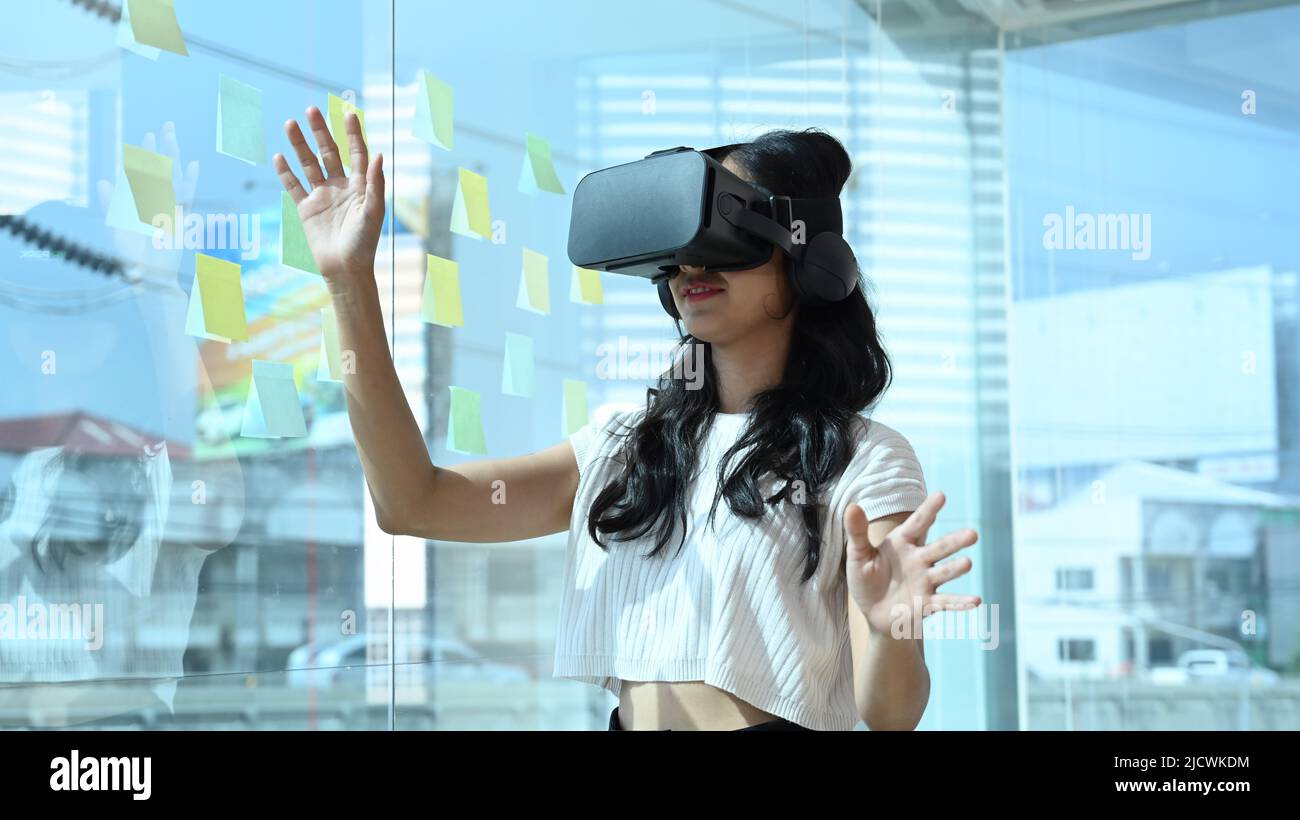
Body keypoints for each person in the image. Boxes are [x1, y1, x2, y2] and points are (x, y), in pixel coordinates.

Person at [272, 109, 982, 731]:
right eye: (679, 245)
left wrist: (891, 630)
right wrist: (348, 282)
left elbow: (892, 716)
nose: (691, 265)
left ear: (809, 261)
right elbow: (412, 502)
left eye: (726, 234)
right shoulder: (627, 444)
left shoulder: (866, 458)